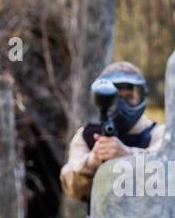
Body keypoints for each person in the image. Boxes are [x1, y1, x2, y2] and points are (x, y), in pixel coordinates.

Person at [60, 61, 163, 206]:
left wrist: (128, 155)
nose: (122, 104)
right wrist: (93, 160)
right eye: (114, 97)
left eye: (129, 97)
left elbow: (169, 174)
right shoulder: (87, 135)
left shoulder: (159, 133)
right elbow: (72, 189)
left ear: (142, 97)